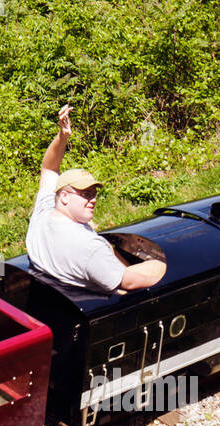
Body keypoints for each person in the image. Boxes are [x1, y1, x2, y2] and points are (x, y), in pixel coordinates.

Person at [27, 104, 166, 293]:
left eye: (94, 193)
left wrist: (63, 136)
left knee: (112, 250)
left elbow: (49, 169)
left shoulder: (43, 214)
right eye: (85, 194)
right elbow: (128, 283)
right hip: (105, 297)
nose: (92, 199)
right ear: (64, 197)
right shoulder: (88, 247)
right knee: (159, 266)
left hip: (55, 286)